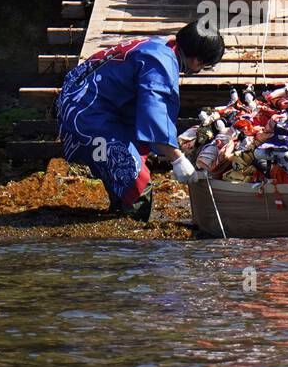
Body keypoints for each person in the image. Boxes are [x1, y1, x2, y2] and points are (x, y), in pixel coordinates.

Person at [56, 22, 226, 222]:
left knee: (124, 158)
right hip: (87, 114)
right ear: (197, 60)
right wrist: (177, 159)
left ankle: (119, 211)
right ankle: (131, 234)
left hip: (79, 101)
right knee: (135, 176)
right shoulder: (161, 62)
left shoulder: (156, 47)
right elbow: (155, 110)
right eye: (205, 66)